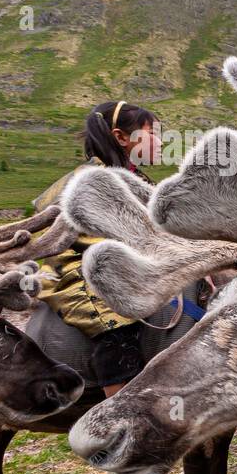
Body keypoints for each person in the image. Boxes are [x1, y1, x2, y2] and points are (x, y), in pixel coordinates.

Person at [36, 101, 163, 396]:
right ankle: (118, 410)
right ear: (121, 137)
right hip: (78, 271)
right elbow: (89, 236)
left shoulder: (135, 177)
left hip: (117, 262)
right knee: (116, 321)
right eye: (152, 133)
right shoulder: (90, 179)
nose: (160, 142)